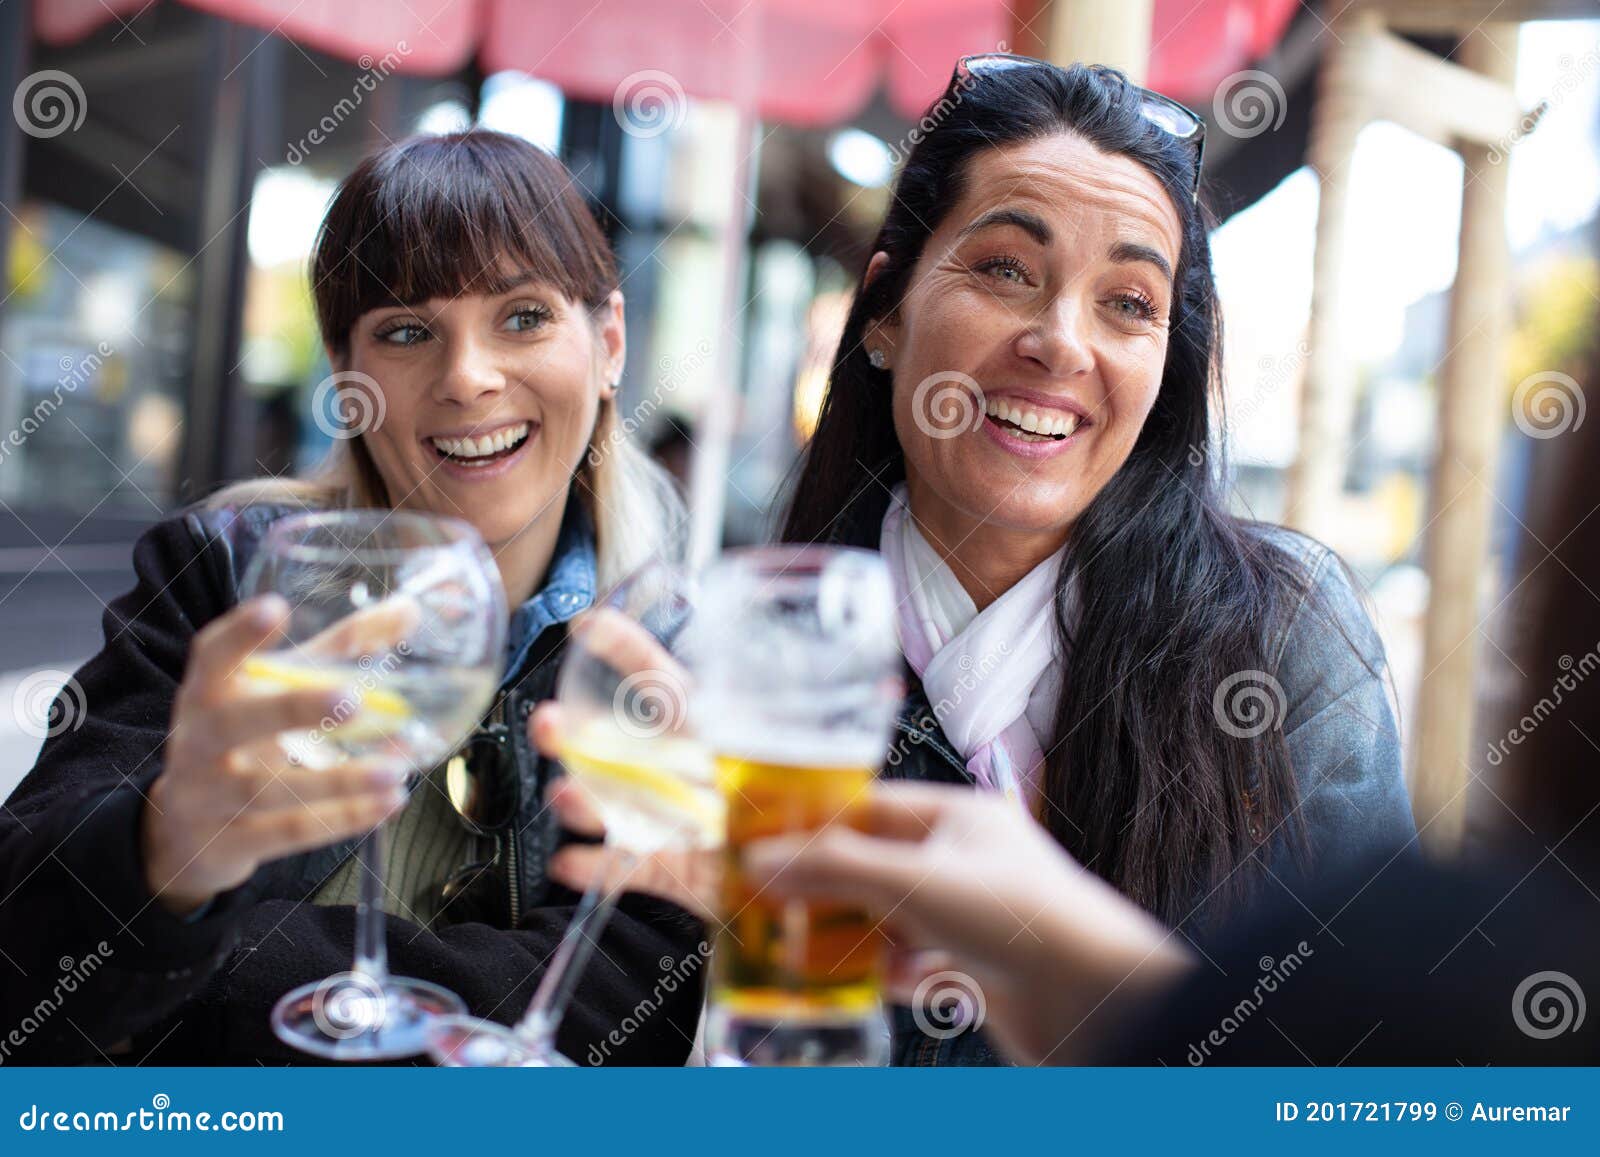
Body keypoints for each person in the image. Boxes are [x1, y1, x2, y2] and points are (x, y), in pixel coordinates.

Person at [739, 248, 1600, 1070]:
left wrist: (1117, 995)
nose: (1062, 341)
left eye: (1130, 303)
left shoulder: (1284, 636)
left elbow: (1374, 1090)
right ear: (885, 312)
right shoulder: (750, 642)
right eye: (1004, 269)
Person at [0, 131, 706, 1065]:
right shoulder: (226, 575)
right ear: (346, 376)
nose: (467, 377)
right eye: (408, 332)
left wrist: (204, 951)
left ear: (609, 343)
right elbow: (27, 947)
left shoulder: (665, 654)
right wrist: (165, 842)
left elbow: (607, 1017)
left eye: (524, 316)